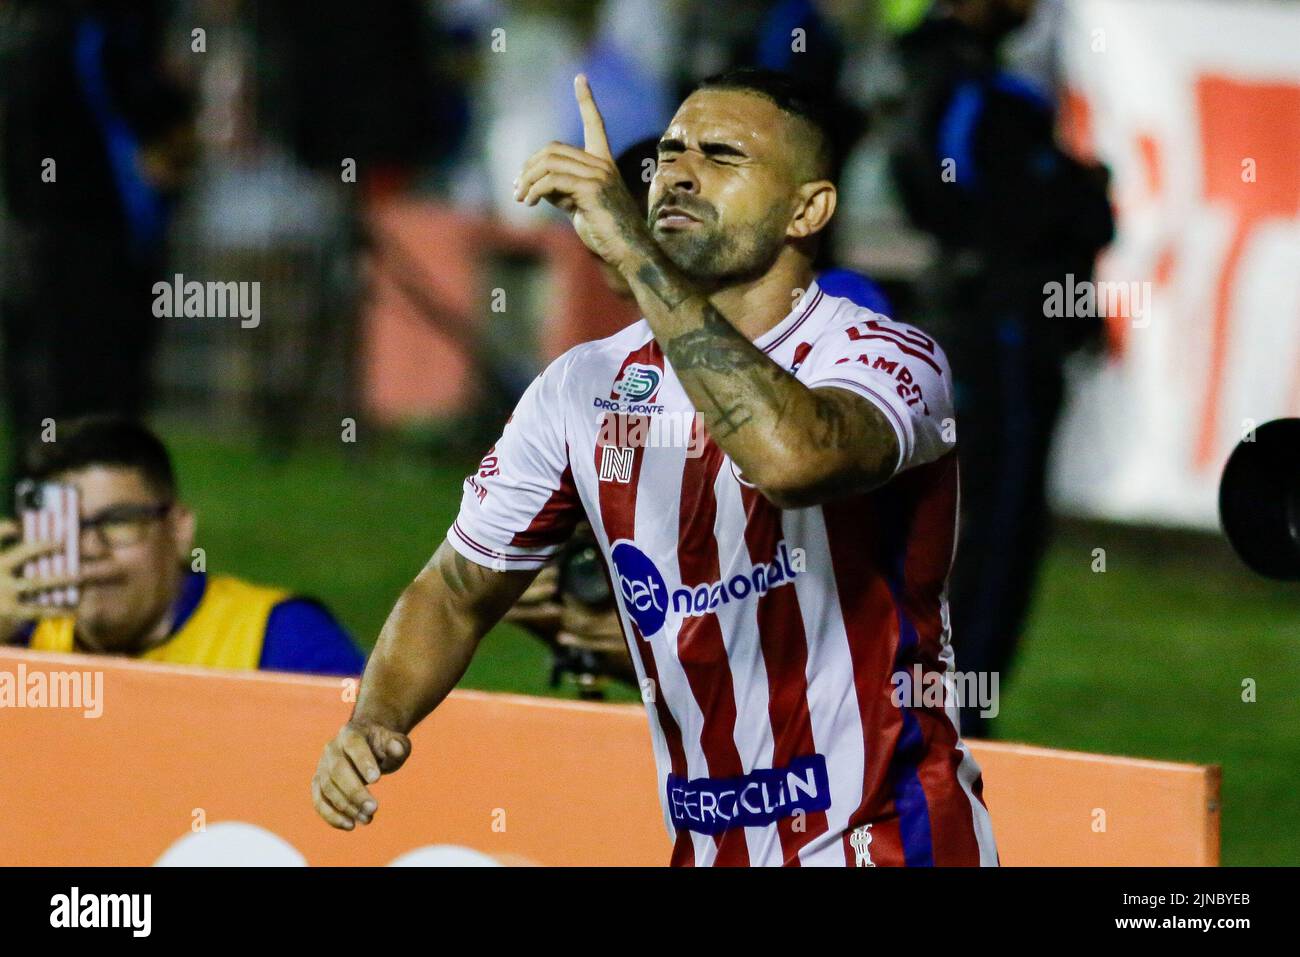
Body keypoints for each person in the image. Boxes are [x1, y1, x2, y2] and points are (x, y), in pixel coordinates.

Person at [313, 68, 996, 867]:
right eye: (670, 150)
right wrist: (376, 716)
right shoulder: (581, 389)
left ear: (808, 209)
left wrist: (637, 257)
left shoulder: (882, 356)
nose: (677, 170)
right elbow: (455, 590)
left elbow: (792, 458)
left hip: (888, 842)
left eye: (721, 154)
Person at [889, 0, 1114, 737]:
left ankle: (939, 709)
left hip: (973, 320)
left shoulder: (935, 78)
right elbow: (1028, 207)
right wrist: (1080, 198)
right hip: (1003, 331)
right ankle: (957, 718)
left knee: (964, 520)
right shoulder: (979, 92)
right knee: (996, 522)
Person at [2, 417, 363, 676]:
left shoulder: (279, 639)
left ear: (179, 529)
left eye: (119, 521)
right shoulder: (23, 639)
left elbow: (375, 769)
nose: (90, 548)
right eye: (68, 527)